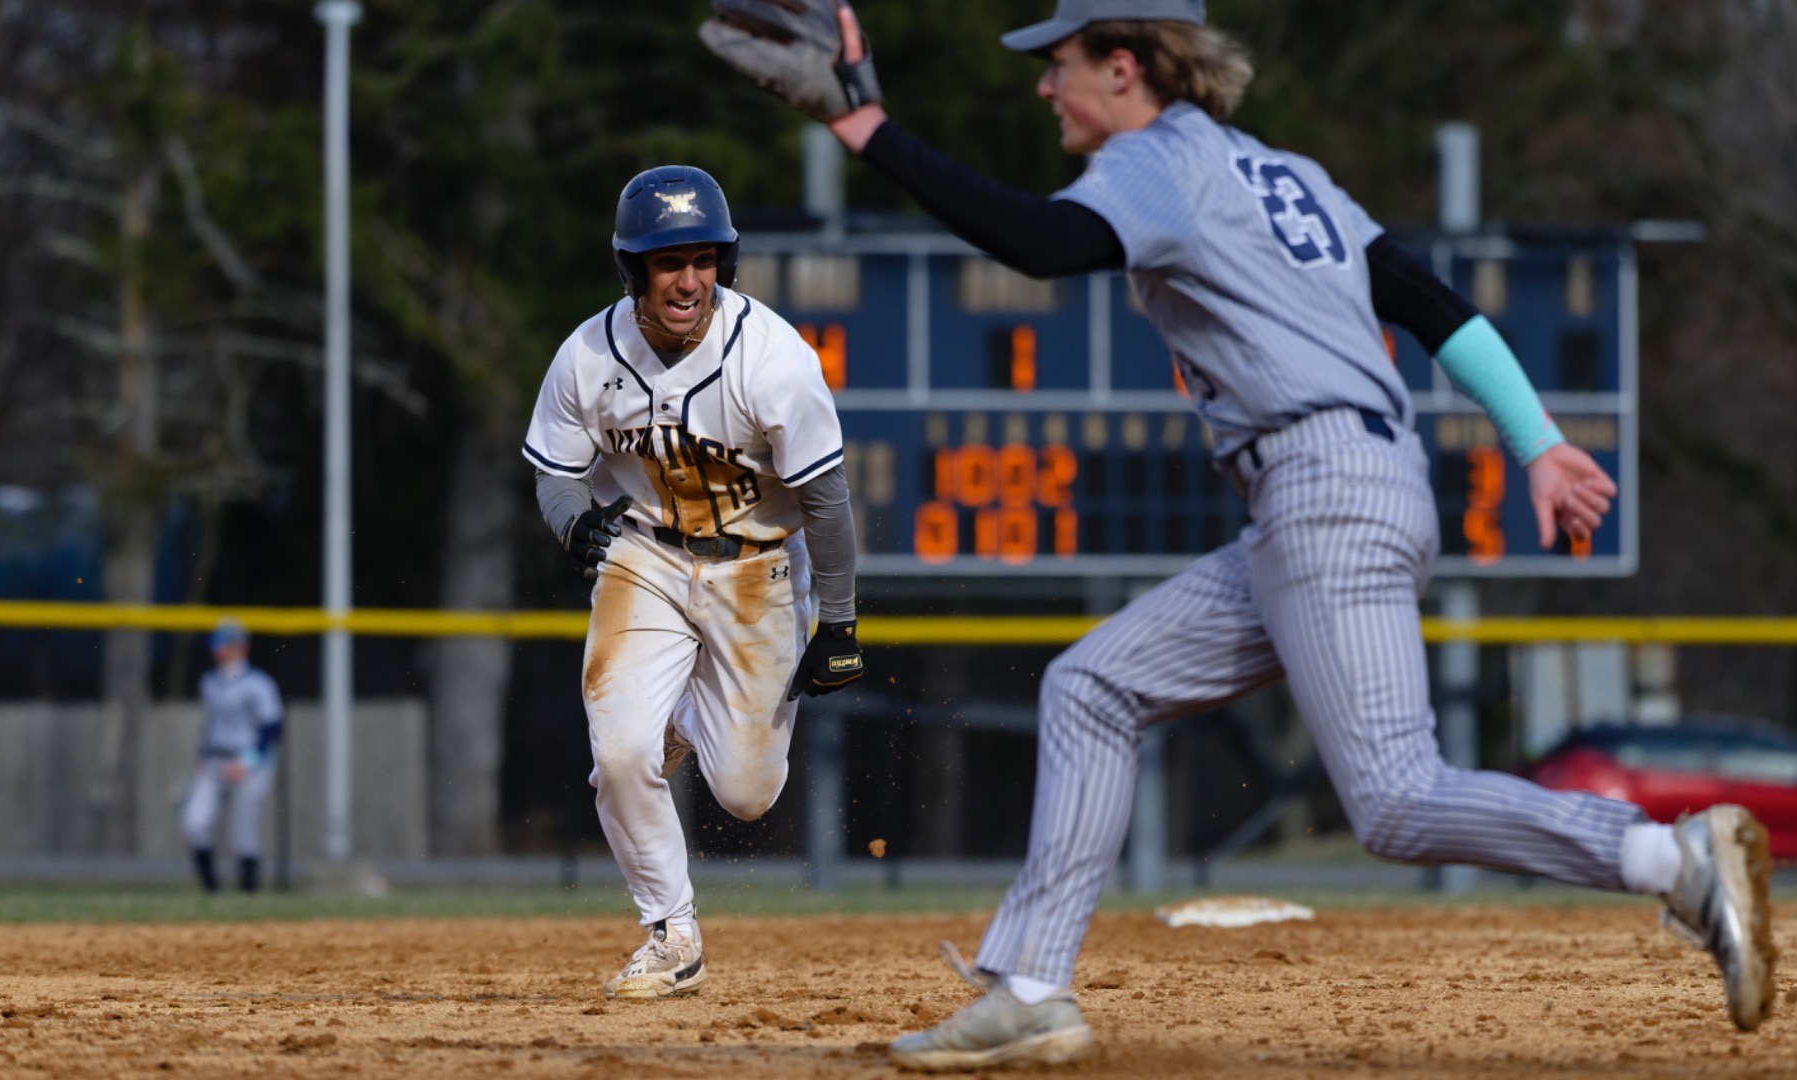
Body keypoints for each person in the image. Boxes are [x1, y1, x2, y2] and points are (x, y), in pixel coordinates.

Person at [700, 0, 1776, 1068]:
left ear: (1125, 68)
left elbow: (1036, 242)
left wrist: (864, 130)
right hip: (1330, 495)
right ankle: (1030, 986)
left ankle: (1669, 858)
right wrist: (1537, 440)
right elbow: (1425, 296)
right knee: (1091, 687)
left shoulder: (1156, 160)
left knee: (1397, 798)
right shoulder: (1282, 172)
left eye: (1061, 61)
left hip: (1324, 491)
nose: (1044, 85)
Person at [523, 164, 865, 1000]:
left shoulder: (773, 357)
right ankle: (671, 931)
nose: (687, 279)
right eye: (667, 260)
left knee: (747, 796)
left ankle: (682, 716)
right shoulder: (587, 355)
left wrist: (843, 621)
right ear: (631, 268)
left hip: (758, 571)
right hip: (645, 557)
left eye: (703, 258)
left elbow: (825, 497)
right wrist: (573, 521)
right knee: (621, 754)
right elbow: (556, 472)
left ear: (725, 262)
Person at [181, 618, 284, 894]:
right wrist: (202, 756)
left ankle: (248, 893)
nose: (220, 650)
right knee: (194, 822)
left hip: (249, 761)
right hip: (215, 759)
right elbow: (210, 725)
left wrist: (247, 762)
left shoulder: (259, 684)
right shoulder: (210, 682)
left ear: (241, 647)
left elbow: (272, 729)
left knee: (242, 832)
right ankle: (212, 890)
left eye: (225, 644)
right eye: (217, 644)